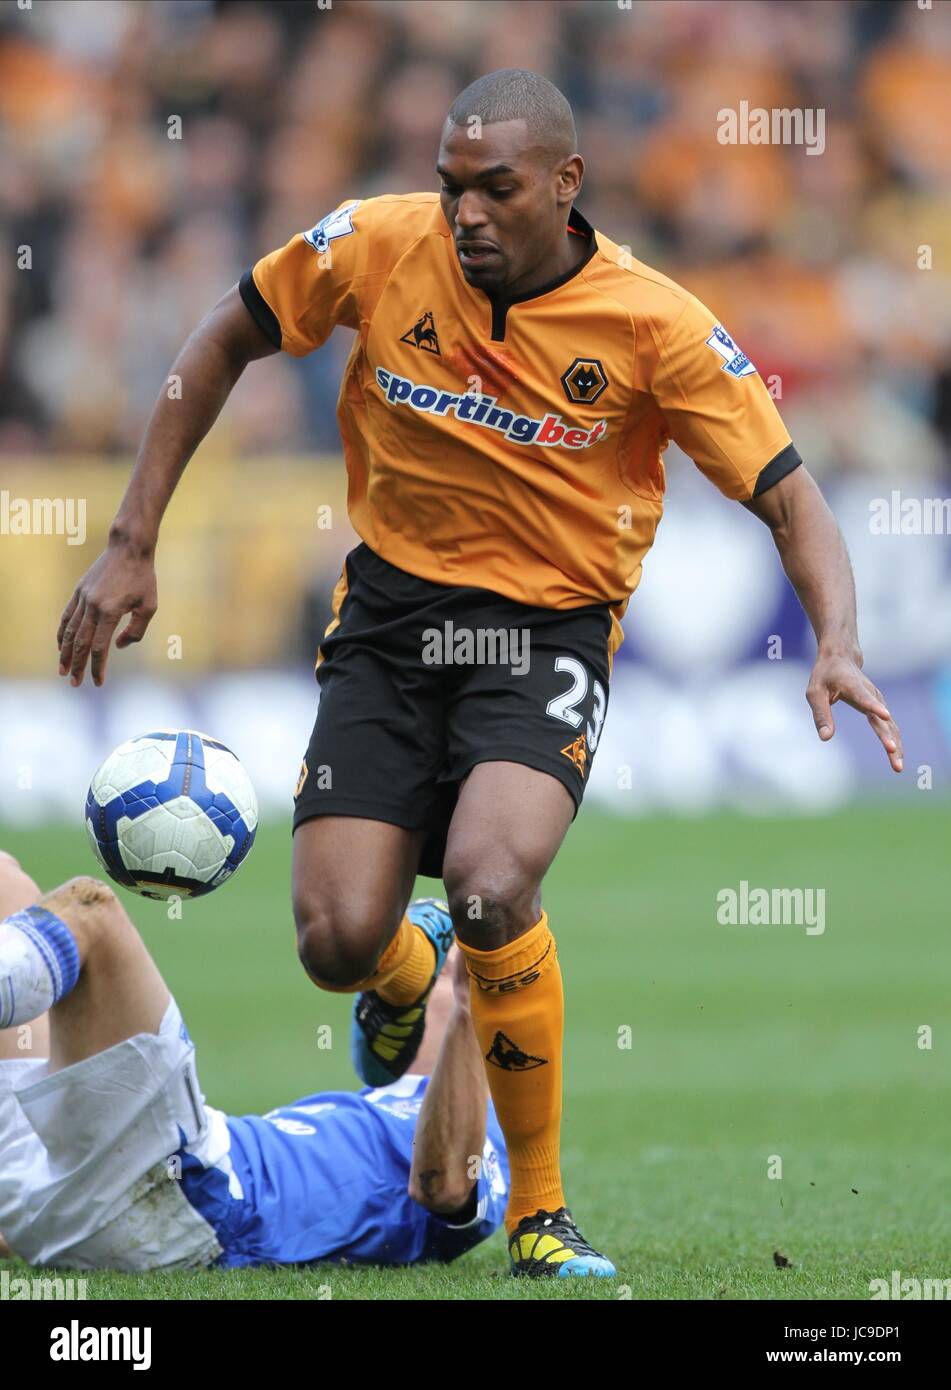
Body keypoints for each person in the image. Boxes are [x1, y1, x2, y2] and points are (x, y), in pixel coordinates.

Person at [55, 68, 903, 1277]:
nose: (466, 214)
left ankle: (540, 1212)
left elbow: (793, 498)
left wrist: (836, 641)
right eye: (454, 187)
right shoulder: (377, 242)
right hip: (392, 619)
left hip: (545, 634)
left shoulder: (653, 323)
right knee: (334, 941)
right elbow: (225, 334)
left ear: (565, 184)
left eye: (495, 190)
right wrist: (132, 541)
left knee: (494, 885)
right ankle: (410, 972)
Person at [0, 852, 510, 1272]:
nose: (451, 972)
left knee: (91, 910)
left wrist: (472, 1006)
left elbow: (445, 1186)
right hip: (73, 1185)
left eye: (442, 969)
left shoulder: (481, 1132)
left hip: (188, 1201)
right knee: (5, 877)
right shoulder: (371, 1106)